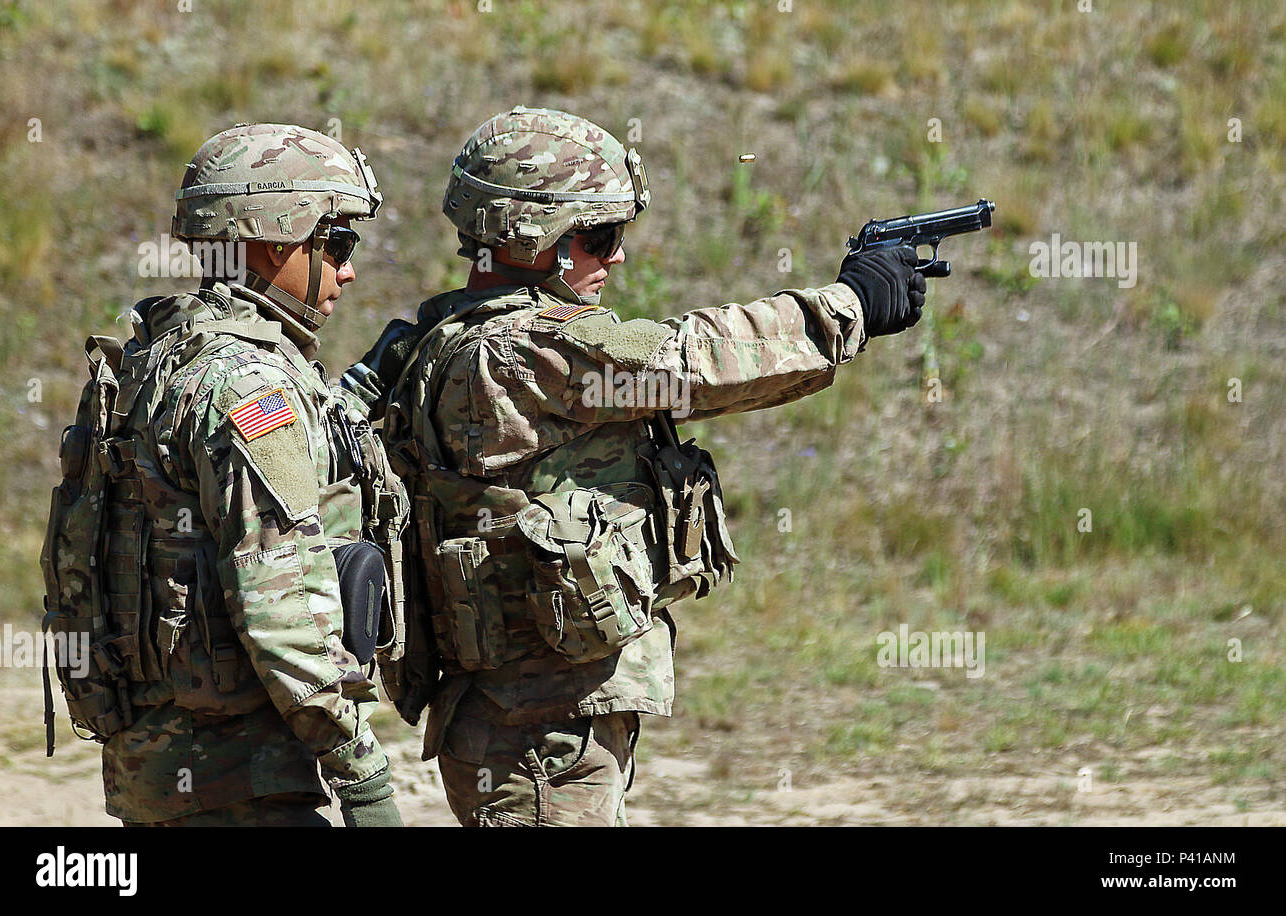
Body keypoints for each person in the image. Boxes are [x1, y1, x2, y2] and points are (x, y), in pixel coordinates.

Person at [349, 106, 927, 827]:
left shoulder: (454, 332)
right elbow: (686, 362)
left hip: (539, 720)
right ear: (538, 241)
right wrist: (849, 306)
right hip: (537, 734)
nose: (616, 257)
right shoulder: (517, 353)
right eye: (599, 237)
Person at [41, 123, 408, 826]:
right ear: (276, 240)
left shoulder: (158, 356)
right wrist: (363, 777)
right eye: (337, 245)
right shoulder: (248, 385)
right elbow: (280, 608)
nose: (348, 270)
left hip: (157, 770)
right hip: (239, 781)